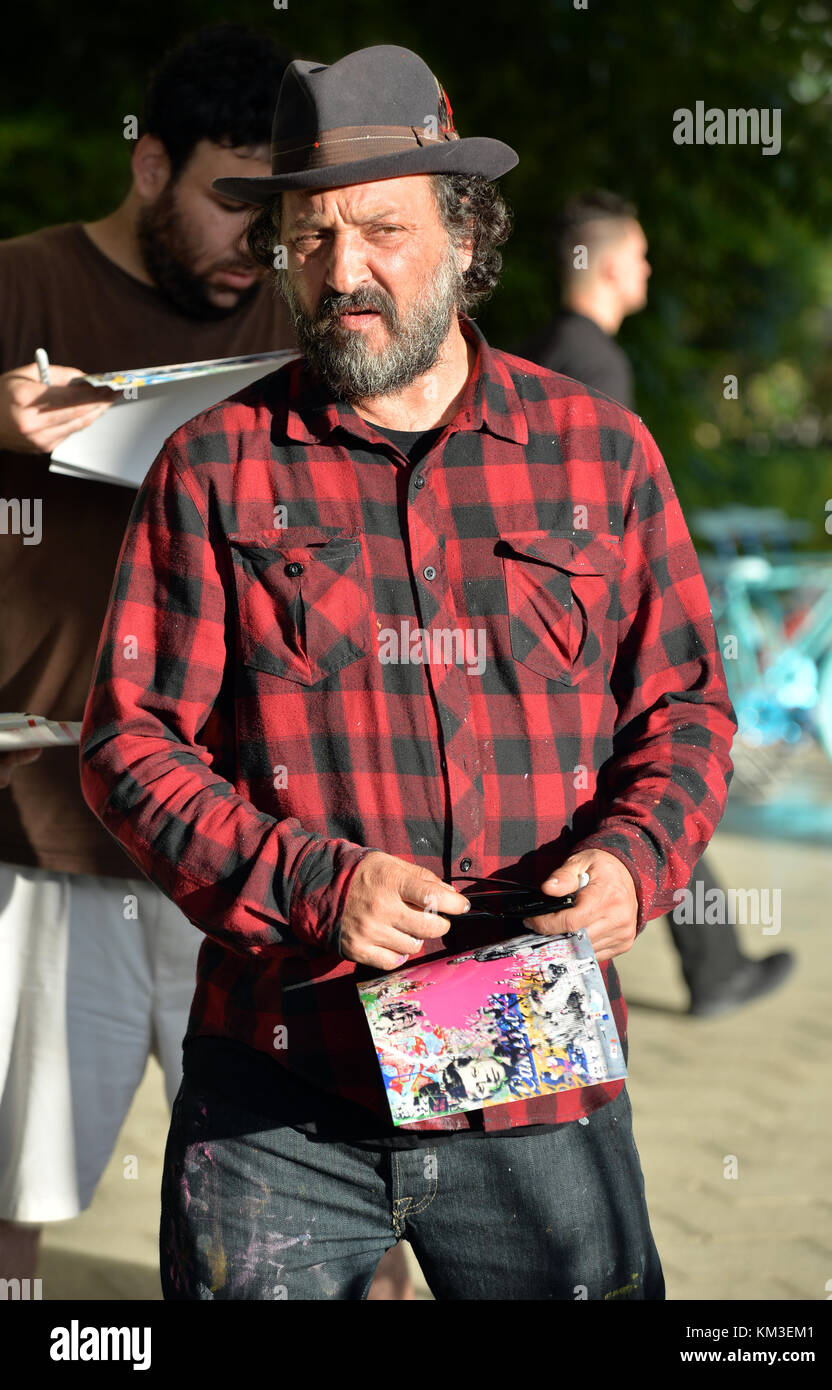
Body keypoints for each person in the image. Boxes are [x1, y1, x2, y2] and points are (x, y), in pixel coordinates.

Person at [80, 44, 737, 1301]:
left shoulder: (598, 452)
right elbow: (128, 741)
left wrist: (637, 859)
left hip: (531, 1066)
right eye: (309, 237)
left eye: (382, 228)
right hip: (282, 1081)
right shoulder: (217, 466)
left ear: (466, 234)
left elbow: (686, 708)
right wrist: (309, 882)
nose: (345, 271)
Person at [0, 23, 296, 1286]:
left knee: (298, 1180)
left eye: (276, 210)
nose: (258, 241)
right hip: (46, 824)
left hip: (249, 835)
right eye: (231, 199)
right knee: (20, 1184)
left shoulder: (293, 307)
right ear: (147, 168)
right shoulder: (20, 285)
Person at [519, 191, 794, 1018]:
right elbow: (595, 519)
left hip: (546, 625)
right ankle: (706, 970)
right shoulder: (596, 362)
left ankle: (714, 965)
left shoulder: (537, 350)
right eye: (638, 256)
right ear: (607, 265)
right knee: (646, 781)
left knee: (620, 795)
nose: (646, 270)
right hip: (576, 627)